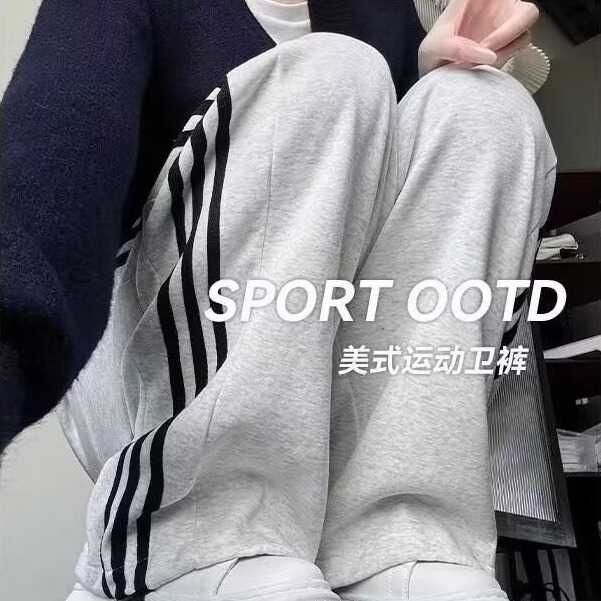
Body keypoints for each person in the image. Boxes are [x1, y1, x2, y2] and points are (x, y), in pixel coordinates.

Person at [0, 1, 557, 600]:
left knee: (483, 105)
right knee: (330, 70)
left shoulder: (381, 13)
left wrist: (425, 83)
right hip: (143, 376)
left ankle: (402, 542)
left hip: (327, 377)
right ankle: (200, 539)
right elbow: (40, 203)